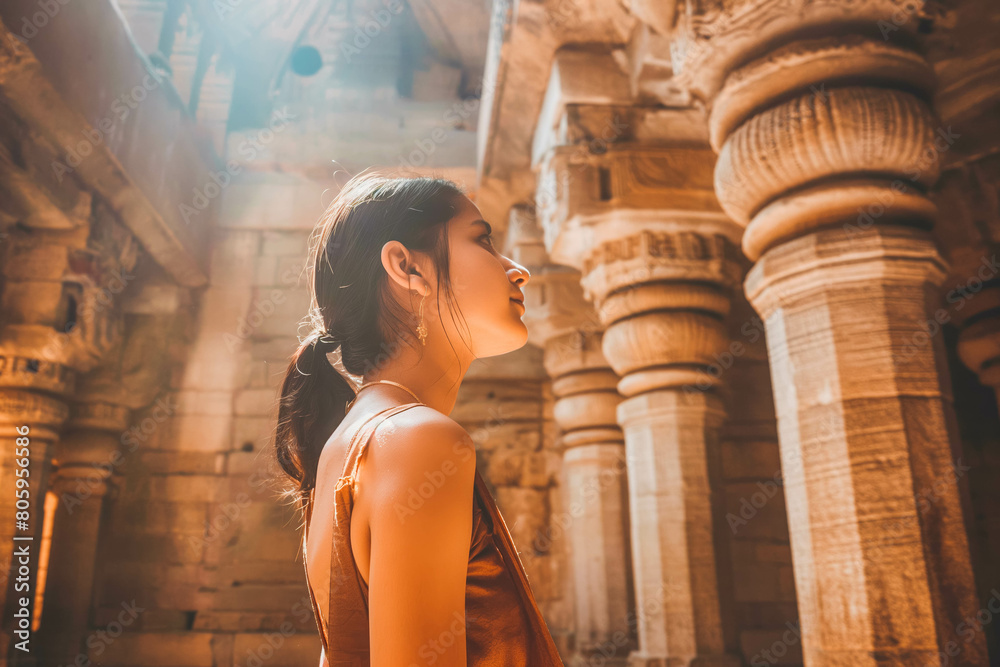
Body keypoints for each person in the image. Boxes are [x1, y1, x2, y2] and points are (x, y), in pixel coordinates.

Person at [272, 171, 565, 666]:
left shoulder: (356, 440)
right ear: (408, 267)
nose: (518, 270)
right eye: (484, 241)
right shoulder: (417, 440)